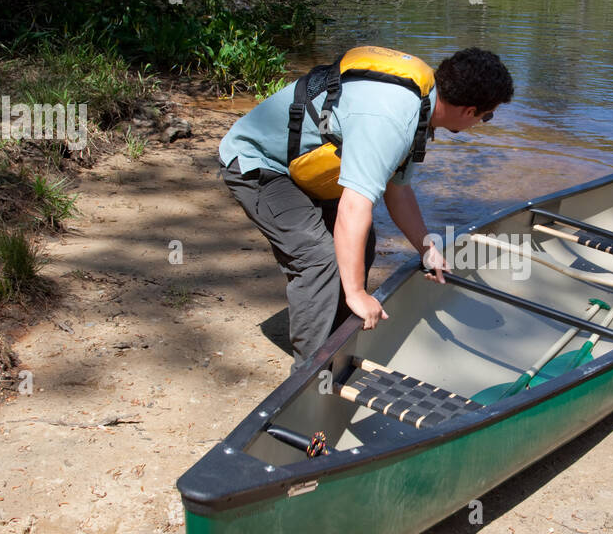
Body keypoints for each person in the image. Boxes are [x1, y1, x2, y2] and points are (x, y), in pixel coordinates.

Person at [219, 45, 515, 371]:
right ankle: (310, 379)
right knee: (319, 258)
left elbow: (398, 190)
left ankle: (338, 343)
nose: (485, 122)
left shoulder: (423, 98)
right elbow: (353, 207)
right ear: (469, 110)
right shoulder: (392, 119)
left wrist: (426, 247)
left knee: (363, 246)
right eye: (488, 116)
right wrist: (357, 292)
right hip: (258, 163)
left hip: (306, 164)